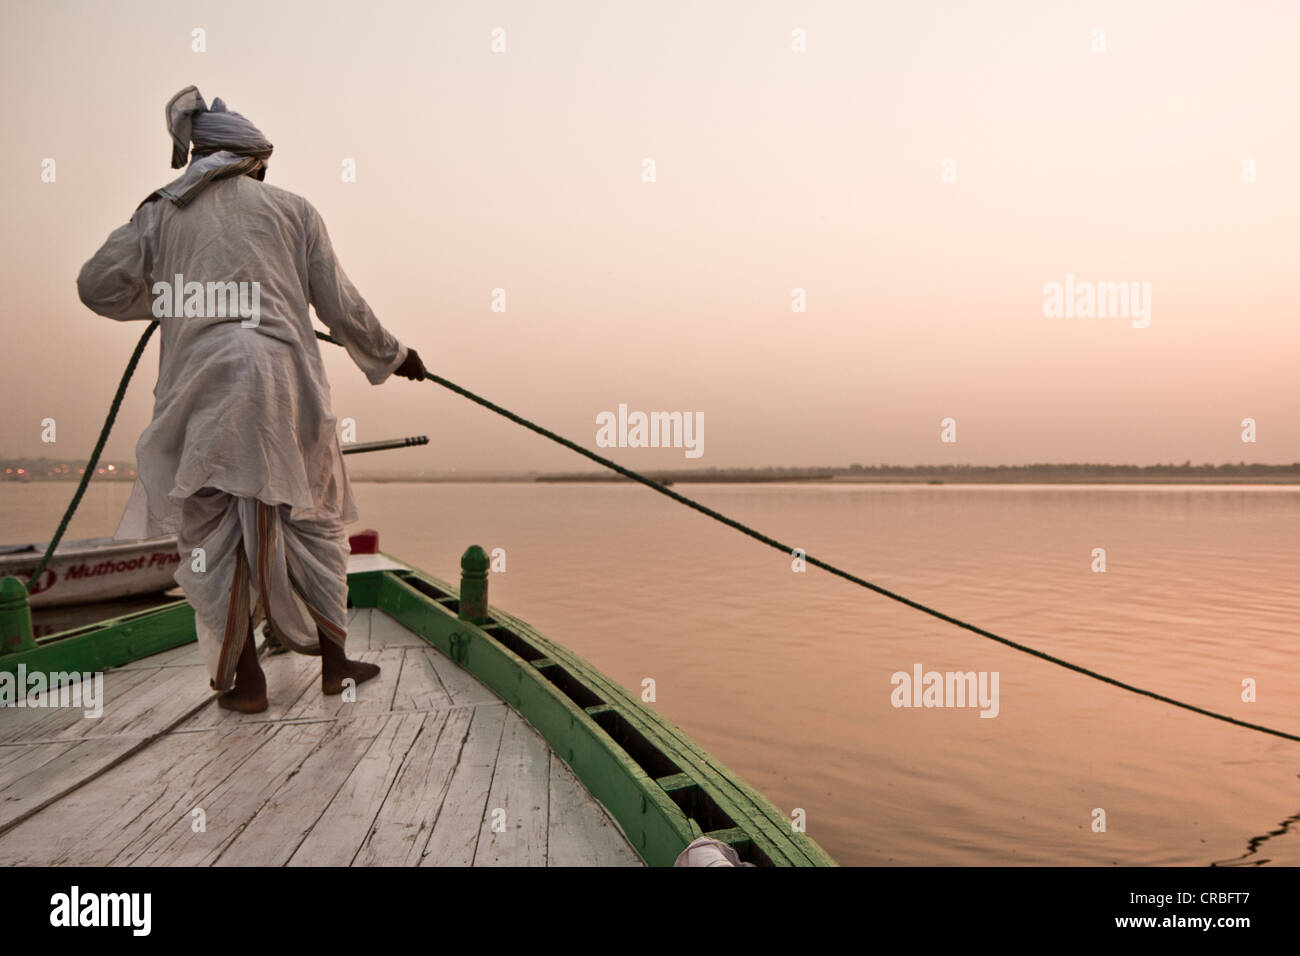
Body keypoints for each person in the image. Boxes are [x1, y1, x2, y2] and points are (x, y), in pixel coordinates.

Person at [76, 86, 425, 713]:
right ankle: (336, 662)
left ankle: (247, 681)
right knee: (311, 518)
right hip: (284, 387)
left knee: (210, 529)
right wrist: (397, 356)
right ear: (252, 161)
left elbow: (96, 286)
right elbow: (342, 307)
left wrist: (172, 299)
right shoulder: (294, 210)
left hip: (201, 386)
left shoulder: (160, 212)